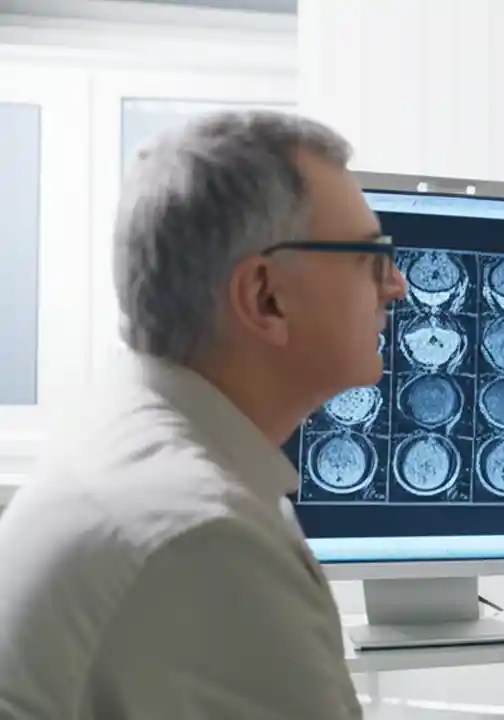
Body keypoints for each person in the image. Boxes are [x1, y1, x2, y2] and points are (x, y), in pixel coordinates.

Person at [0, 110, 405, 718]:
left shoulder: (130, 445)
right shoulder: (205, 541)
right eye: (369, 258)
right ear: (265, 297)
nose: (395, 285)